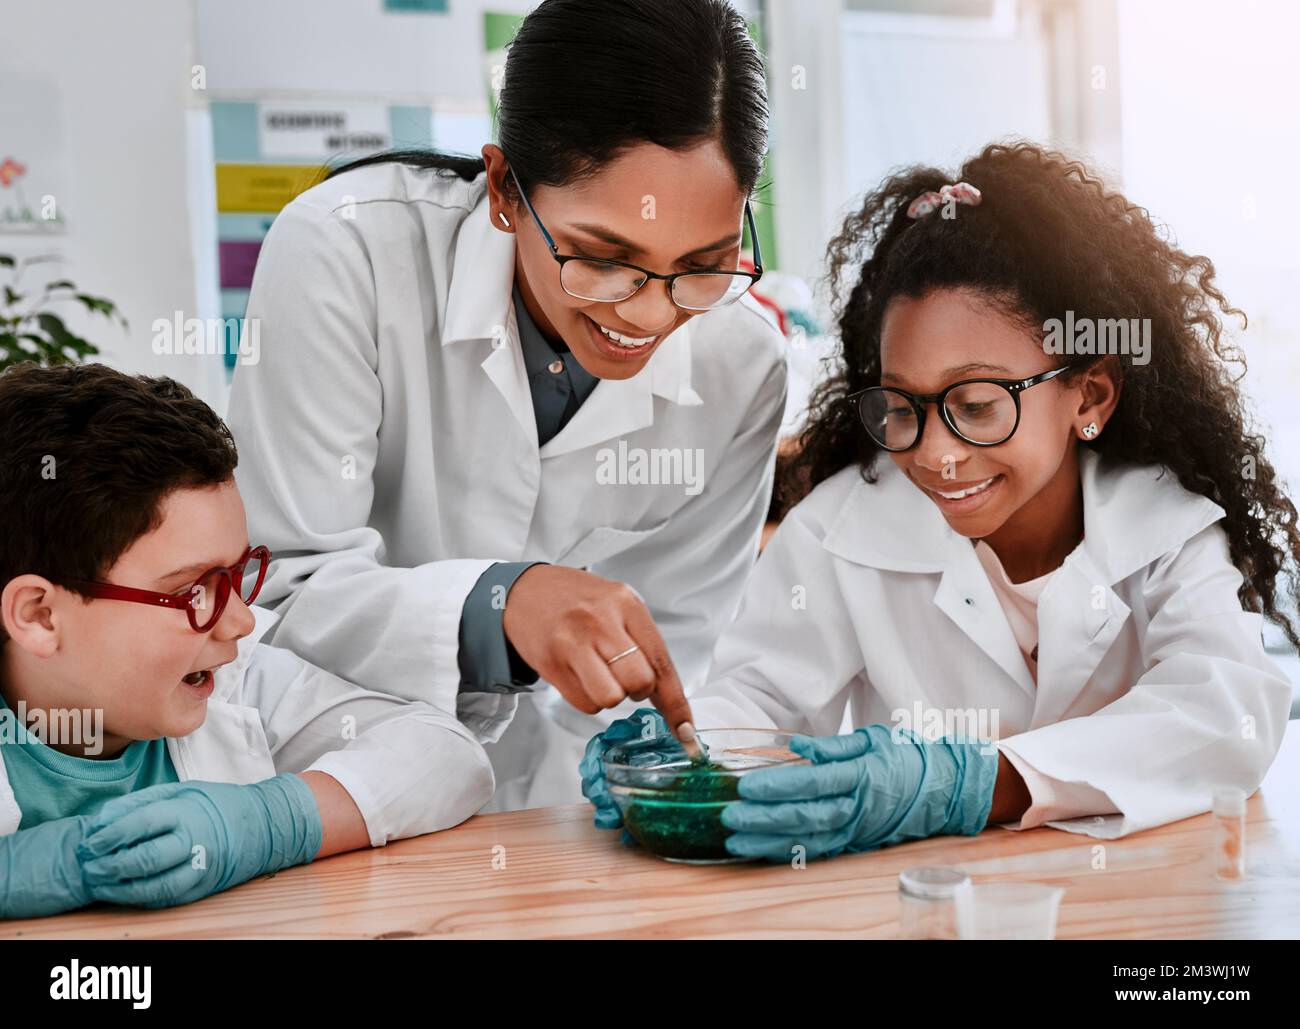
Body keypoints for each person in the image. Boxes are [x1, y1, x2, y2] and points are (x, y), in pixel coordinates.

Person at [582, 142, 1294, 859]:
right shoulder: (842, 527)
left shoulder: (1166, 526)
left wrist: (975, 782)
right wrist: (680, 746)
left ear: (1091, 393)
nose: (932, 452)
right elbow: (761, 697)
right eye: (901, 406)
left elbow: (1224, 712)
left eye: (977, 405)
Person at [226, 0, 787, 810]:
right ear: (502, 190)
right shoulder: (345, 251)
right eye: (602, 259)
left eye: (702, 264)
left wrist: (572, 847)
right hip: (332, 796)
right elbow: (279, 588)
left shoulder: (743, 365)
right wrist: (497, 606)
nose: (650, 314)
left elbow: (667, 654)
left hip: (565, 833)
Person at [0, 364, 493, 917]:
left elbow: (446, 754)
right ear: (41, 615)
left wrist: (269, 823)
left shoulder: (235, 683)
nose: (240, 622)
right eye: (193, 590)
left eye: (237, 575)